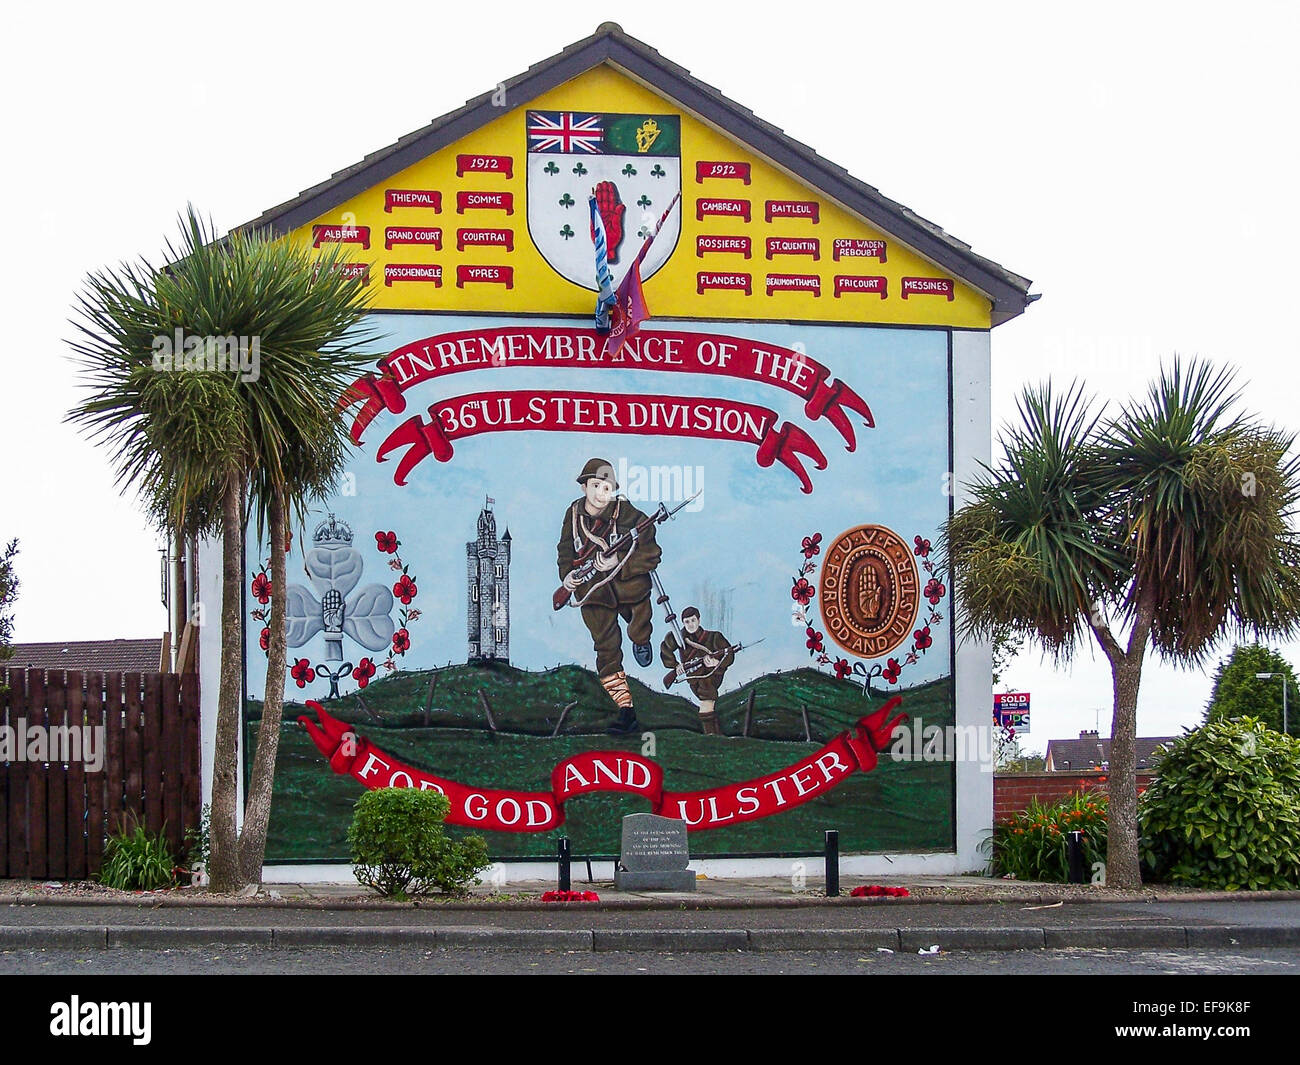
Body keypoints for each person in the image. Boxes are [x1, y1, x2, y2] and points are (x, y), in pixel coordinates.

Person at [556, 458, 661, 734]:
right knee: (606, 648)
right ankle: (625, 709)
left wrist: (618, 562)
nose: (600, 492)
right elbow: (566, 548)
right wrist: (567, 576)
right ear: (584, 487)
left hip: (628, 586)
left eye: (606, 487)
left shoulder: (628, 514)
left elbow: (651, 551)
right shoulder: (573, 514)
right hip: (594, 593)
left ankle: (641, 639)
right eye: (595, 485)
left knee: (640, 618)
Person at [660, 606, 733, 735]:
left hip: (711, 675)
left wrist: (716, 662)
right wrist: (675, 665)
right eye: (687, 622)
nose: (691, 624)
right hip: (693, 678)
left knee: (707, 702)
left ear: (698, 620)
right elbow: (665, 648)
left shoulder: (713, 637)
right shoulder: (679, 637)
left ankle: (712, 736)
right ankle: (715, 736)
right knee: (707, 702)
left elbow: (729, 653)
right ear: (683, 623)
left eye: (693, 620)